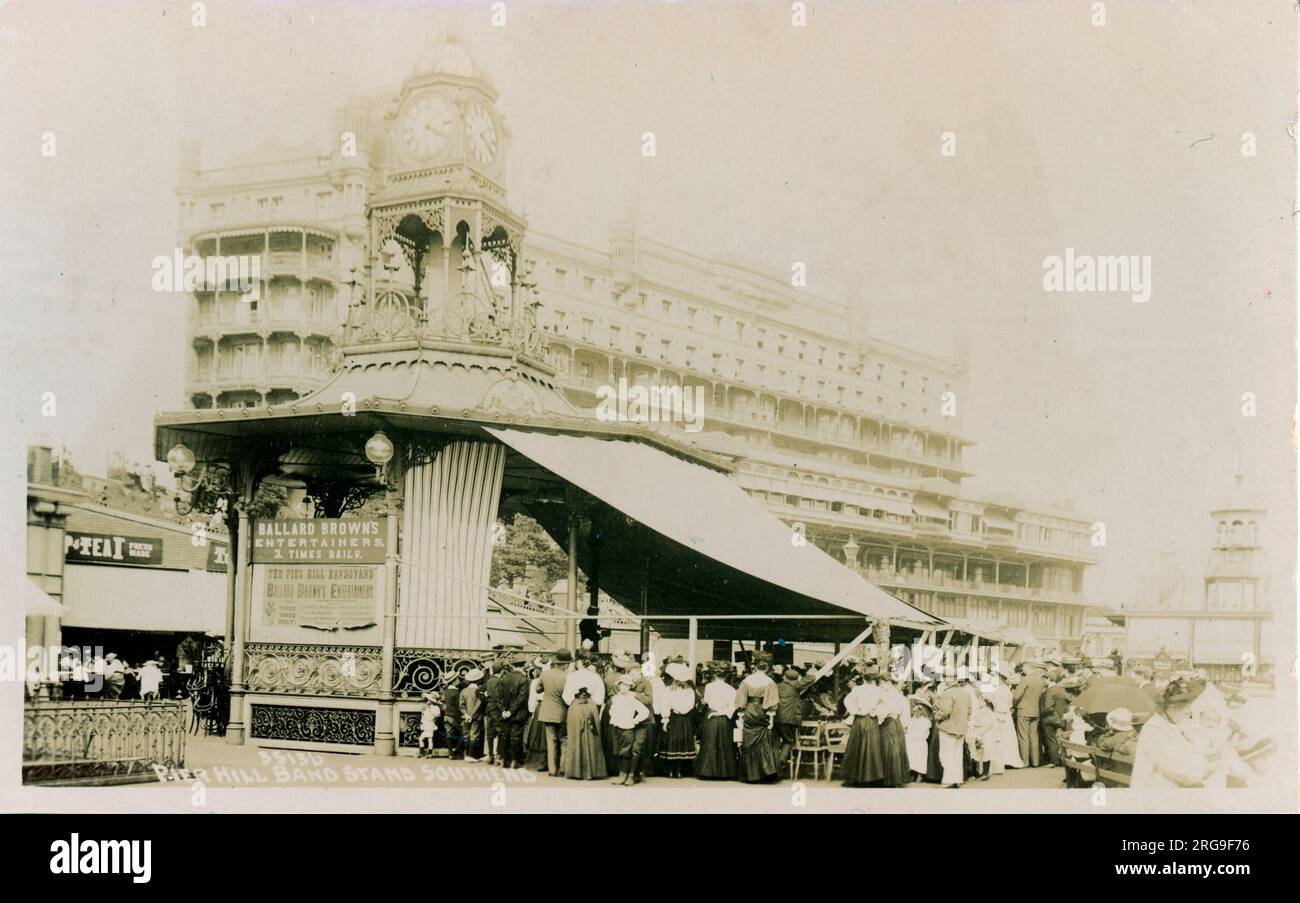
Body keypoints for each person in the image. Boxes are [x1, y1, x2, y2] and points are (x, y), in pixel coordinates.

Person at [1131, 677, 1220, 788]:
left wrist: (1208, 755)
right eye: (1186, 709)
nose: (1188, 713)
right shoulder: (1154, 731)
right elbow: (1182, 771)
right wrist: (1208, 769)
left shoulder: (1169, 725)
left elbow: (1187, 752)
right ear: (1171, 709)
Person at [734, 653, 781, 783]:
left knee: (748, 741)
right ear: (767, 668)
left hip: (749, 710)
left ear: (755, 667)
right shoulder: (770, 682)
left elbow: (740, 701)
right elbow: (772, 704)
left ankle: (749, 774)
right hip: (761, 711)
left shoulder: (746, 680)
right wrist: (770, 719)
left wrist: (742, 714)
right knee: (763, 741)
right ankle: (764, 773)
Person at [840, 671, 884, 787]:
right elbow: (884, 704)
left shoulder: (858, 690)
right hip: (871, 720)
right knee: (872, 747)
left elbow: (847, 701)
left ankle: (855, 778)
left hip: (860, 720)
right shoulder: (878, 690)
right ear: (874, 679)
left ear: (864, 679)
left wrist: (856, 710)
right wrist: (877, 713)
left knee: (856, 747)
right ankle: (872, 778)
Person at [696, 663, 739, 780]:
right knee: (725, 744)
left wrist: (715, 711)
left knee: (709, 743)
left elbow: (707, 701)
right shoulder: (731, 689)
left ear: (714, 675)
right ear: (726, 676)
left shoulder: (709, 686)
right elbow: (732, 707)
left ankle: (707, 771)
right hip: (724, 718)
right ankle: (725, 772)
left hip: (711, 716)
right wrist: (721, 712)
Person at [608, 673, 652, 786]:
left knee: (626, 752)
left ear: (630, 687)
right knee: (619, 751)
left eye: (627, 685)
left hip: (628, 728)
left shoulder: (632, 698)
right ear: (619, 685)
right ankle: (622, 775)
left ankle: (629, 776)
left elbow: (645, 712)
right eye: (622, 685)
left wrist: (635, 720)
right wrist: (614, 716)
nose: (624, 687)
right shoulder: (616, 698)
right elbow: (612, 710)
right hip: (617, 726)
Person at [561, 684, 608, 781]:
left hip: (580, 706)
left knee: (580, 740)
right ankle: (590, 771)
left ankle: (578, 771)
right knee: (588, 741)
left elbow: (566, 697)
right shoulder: (595, 678)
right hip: (587, 705)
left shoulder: (573, 677)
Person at [661, 662, 698, 777]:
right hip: (684, 718)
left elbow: (666, 705)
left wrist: (665, 719)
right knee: (682, 742)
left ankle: (674, 770)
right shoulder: (689, 691)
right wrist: (666, 718)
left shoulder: (669, 689)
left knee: (675, 742)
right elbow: (690, 706)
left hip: (676, 717)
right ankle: (678, 770)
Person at [538, 649, 572, 776]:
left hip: (547, 713)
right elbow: (568, 696)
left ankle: (552, 769)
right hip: (563, 713)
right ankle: (562, 768)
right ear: (565, 664)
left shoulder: (545, 674)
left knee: (551, 741)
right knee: (564, 740)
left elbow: (538, 689)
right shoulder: (567, 677)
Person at [932, 678, 970, 788]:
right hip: (961, 727)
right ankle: (957, 779)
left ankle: (949, 780)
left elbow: (945, 711)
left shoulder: (947, 693)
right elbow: (969, 710)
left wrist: (936, 716)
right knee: (957, 754)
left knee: (946, 754)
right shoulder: (964, 692)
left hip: (948, 727)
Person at [985, 668, 1022, 770]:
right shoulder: (1006, 689)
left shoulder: (994, 689)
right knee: (1008, 737)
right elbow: (1010, 704)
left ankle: (1000, 760)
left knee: (999, 737)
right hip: (1006, 714)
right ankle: (1010, 760)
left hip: (997, 714)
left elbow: (989, 699)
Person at [876, 676, 910, 788]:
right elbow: (906, 715)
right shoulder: (899, 696)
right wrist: (905, 726)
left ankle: (889, 779)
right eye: (880, 684)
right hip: (897, 723)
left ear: (889, 683)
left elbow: (883, 712)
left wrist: (879, 718)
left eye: (882, 683)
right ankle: (895, 778)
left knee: (889, 749)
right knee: (895, 749)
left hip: (888, 723)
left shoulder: (888, 696)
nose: (881, 686)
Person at [496, 659, 530, 769]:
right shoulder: (524, 680)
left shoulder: (504, 678)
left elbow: (499, 697)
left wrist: (503, 710)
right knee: (516, 737)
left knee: (505, 735)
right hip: (518, 714)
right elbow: (522, 698)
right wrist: (511, 711)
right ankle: (515, 761)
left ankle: (505, 759)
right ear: (523, 665)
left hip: (505, 713)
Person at [775, 666, 811, 765]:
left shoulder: (778, 686)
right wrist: (803, 675)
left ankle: (774, 762)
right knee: (789, 741)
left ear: (784, 677)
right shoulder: (796, 685)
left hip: (776, 718)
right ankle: (780, 762)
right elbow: (811, 678)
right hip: (790, 719)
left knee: (776, 741)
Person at [1012, 663, 1045, 767]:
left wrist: (1014, 705)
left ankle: (1025, 762)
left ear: (1030, 668)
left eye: (1025, 667)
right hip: (1035, 711)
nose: (1023, 669)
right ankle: (1035, 762)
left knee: (1023, 737)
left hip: (1023, 710)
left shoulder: (1025, 679)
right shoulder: (1040, 680)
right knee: (1034, 737)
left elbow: (1017, 696)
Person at [523, 662, 549, 771]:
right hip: (550, 706)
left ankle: (536, 760)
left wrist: (532, 710)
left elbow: (532, 700)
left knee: (536, 735)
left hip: (539, 708)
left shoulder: (535, 682)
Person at [460, 668, 485, 762]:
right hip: (476, 717)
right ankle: (471, 755)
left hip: (465, 717)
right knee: (474, 735)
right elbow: (479, 704)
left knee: (466, 734)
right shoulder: (479, 691)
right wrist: (472, 715)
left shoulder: (463, 691)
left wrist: (466, 714)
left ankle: (467, 755)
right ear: (479, 680)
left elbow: (461, 705)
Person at [905, 698, 932, 781]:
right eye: (915, 711)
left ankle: (920, 774)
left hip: (920, 741)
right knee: (910, 750)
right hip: (911, 741)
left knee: (920, 752)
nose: (916, 713)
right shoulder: (910, 721)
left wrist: (917, 738)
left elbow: (924, 733)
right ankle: (912, 773)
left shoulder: (925, 721)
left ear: (921, 711)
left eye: (919, 711)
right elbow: (908, 731)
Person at [442, 671, 464, 760]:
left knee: (449, 735)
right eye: (458, 679)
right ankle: (456, 750)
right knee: (463, 733)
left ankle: (451, 754)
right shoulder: (457, 692)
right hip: (454, 717)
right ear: (454, 681)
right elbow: (459, 706)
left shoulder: (445, 691)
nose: (459, 680)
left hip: (446, 716)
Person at [419, 692, 442, 758]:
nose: (428, 701)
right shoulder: (427, 707)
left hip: (430, 724)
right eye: (428, 700)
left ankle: (429, 753)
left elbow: (437, 715)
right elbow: (423, 715)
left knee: (429, 739)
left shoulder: (435, 708)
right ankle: (422, 753)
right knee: (421, 739)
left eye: (430, 700)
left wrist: (430, 709)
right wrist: (424, 710)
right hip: (426, 724)